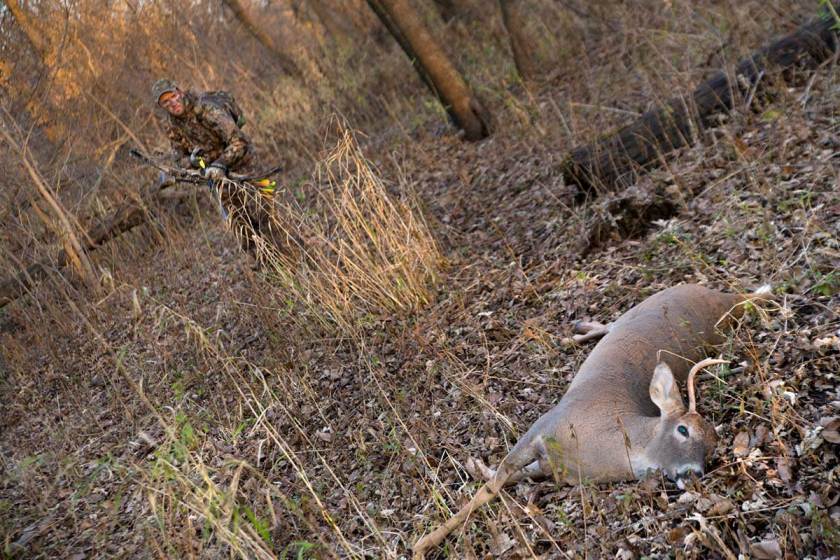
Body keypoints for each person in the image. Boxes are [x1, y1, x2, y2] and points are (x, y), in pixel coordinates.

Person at [151, 79, 289, 264]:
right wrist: (192, 162)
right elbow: (179, 157)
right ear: (161, 106)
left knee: (265, 214)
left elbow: (239, 141)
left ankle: (290, 258)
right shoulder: (172, 125)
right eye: (166, 102)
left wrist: (220, 164)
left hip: (243, 164)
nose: (172, 103)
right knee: (240, 224)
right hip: (216, 177)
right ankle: (267, 265)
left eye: (173, 97)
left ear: (180, 92)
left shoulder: (207, 110)